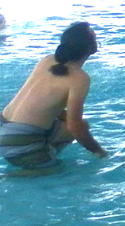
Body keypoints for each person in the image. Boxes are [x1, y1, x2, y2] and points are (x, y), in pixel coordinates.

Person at [1, 22, 106, 169]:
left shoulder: (48, 60)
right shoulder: (80, 79)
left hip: (4, 126)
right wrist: (99, 152)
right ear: (91, 47)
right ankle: (9, 176)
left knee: (80, 125)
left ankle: (45, 152)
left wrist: (79, 125)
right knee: (61, 171)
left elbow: (67, 121)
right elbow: (75, 126)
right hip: (18, 141)